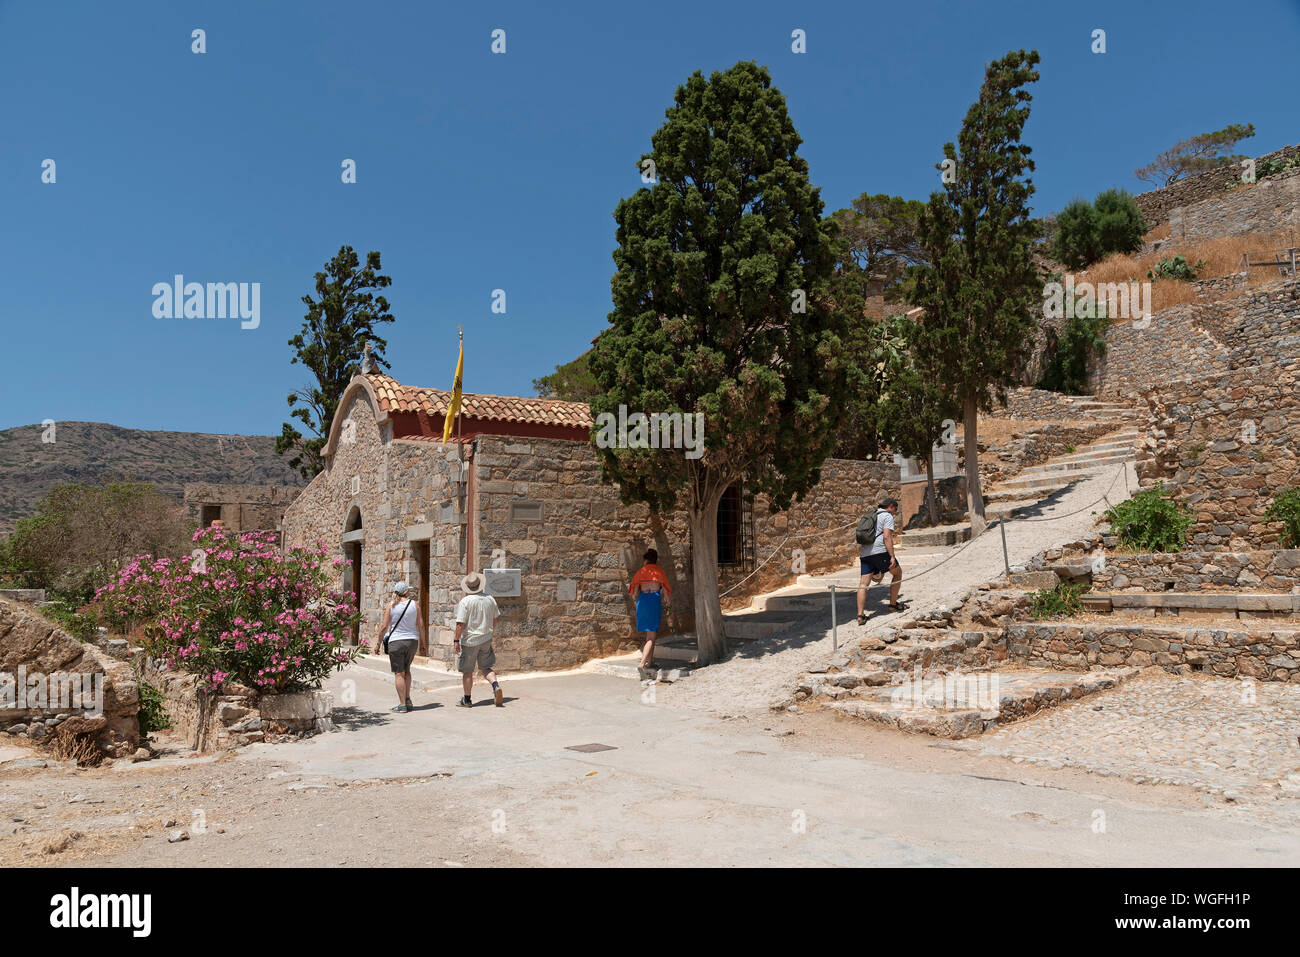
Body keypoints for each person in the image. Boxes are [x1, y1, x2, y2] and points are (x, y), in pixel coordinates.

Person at [454, 572, 503, 708]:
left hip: (470, 641)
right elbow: (495, 619)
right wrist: (488, 631)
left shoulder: (466, 602)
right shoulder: (490, 599)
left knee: (467, 671)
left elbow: (460, 624)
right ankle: (495, 685)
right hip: (486, 639)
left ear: (468, 587)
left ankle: (467, 700)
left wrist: (456, 640)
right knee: (486, 667)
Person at [374, 581, 424, 713]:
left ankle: (402, 705)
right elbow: (421, 625)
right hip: (412, 641)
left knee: (399, 673)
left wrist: (378, 643)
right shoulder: (415, 604)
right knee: (407, 670)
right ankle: (407, 699)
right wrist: (423, 644)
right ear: (406, 592)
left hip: (396, 642)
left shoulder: (391, 605)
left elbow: (384, 627)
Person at [857, 498, 906, 625]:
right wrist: (892, 556)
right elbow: (886, 536)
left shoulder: (871, 515)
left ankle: (860, 616)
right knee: (897, 573)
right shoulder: (887, 516)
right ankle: (893, 604)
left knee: (863, 584)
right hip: (880, 551)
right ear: (890, 506)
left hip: (865, 553)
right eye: (895, 510)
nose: (895, 513)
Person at [628, 548, 672, 679]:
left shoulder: (640, 572)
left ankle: (650, 663)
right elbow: (666, 593)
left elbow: (634, 594)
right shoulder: (659, 572)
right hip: (653, 601)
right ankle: (642, 664)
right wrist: (669, 605)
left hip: (642, 602)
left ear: (646, 560)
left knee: (649, 635)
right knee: (651, 637)